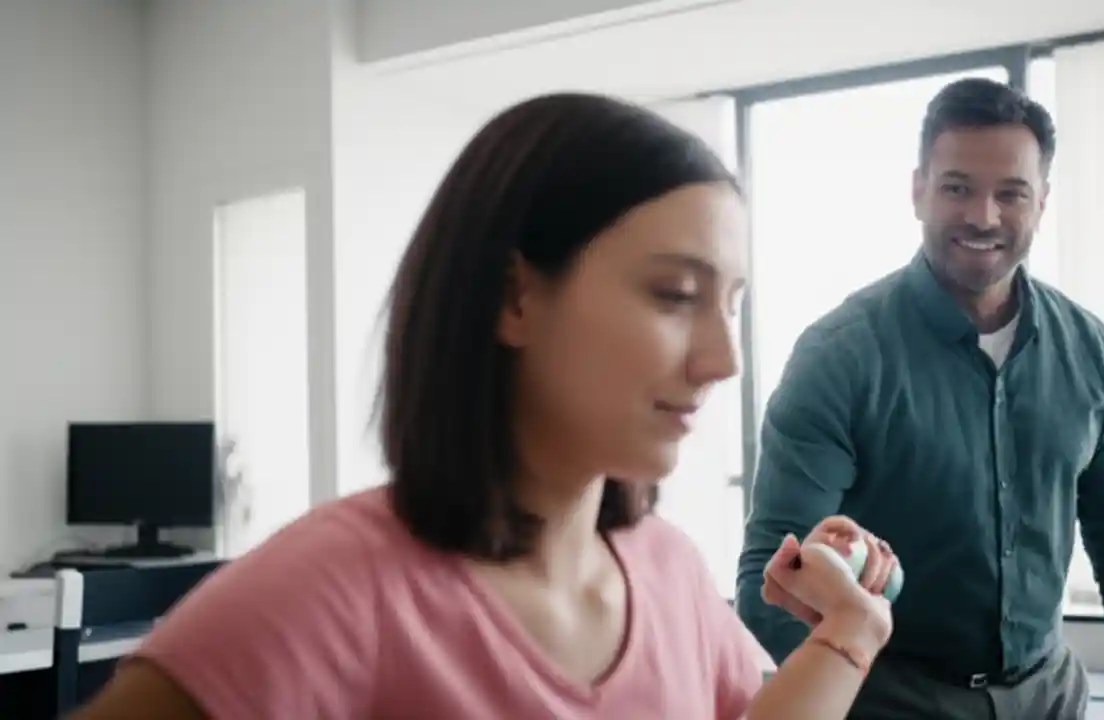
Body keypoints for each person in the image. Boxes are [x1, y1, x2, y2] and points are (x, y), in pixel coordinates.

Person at [74, 93, 902, 720]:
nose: (723, 360)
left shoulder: (667, 572)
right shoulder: (325, 595)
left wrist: (850, 629)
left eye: (732, 305)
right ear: (513, 298)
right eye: (675, 295)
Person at [736, 77, 1104, 720]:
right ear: (918, 189)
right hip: (892, 700)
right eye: (958, 188)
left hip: (1051, 696)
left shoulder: (1092, 354)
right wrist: (837, 685)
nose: (984, 216)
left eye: (1011, 193)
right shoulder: (837, 357)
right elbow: (771, 576)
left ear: (1041, 202)